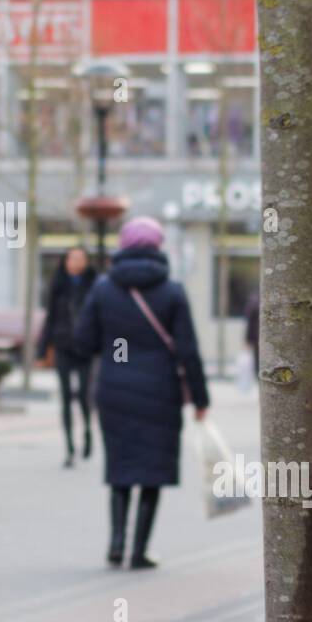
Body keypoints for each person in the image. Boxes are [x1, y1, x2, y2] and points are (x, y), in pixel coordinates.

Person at [74, 216, 209, 570]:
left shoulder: (103, 289)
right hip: (159, 389)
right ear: (158, 247)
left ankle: (115, 544)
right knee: (152, 469)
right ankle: (139, 550)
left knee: (120, 466)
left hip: (114, 389)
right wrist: (200, 399)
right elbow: (188, 350)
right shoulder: (172, 292)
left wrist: (115, 346)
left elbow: (83, 342)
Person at [37, 247, 97, 467]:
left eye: (80, 258)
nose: (75, 262)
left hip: (85, 348)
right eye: (72, 258)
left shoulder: (95, 285)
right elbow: (50, 318)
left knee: (83, 395)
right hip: (63, 345)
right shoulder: (58, 285)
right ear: (65, 261)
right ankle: (70, 448)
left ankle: (88, 432)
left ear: (86, 262)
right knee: (64, 397)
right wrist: (42, 349)